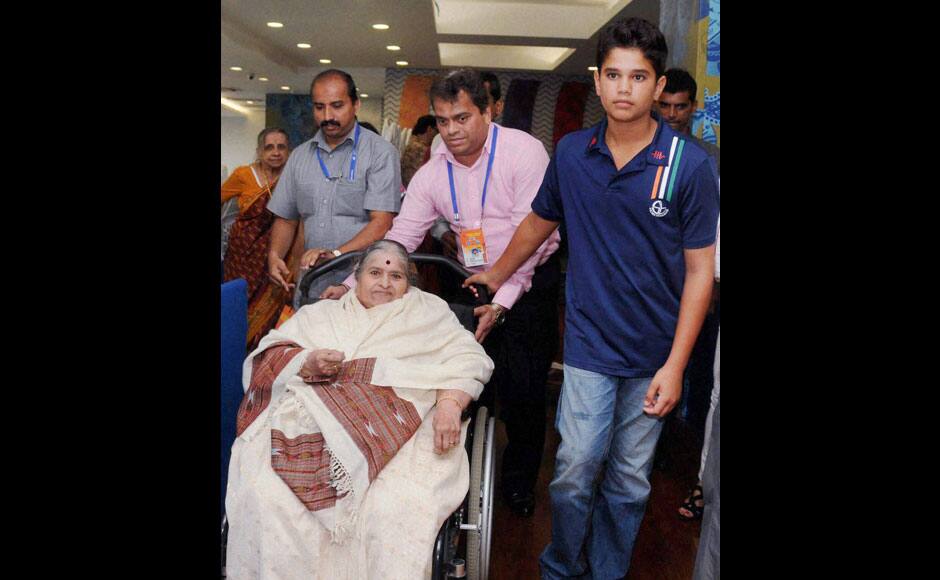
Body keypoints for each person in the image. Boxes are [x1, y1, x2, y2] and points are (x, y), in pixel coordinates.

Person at [465, 17, 719, 578]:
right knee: (575, 468)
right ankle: (561, 567)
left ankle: (606, 572)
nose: (624, 88)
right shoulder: (573, 153)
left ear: (657, 86)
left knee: (629, 482)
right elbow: (538, 223)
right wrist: (496, 273)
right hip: (587, 343)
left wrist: (677, 366)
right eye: (613, 75)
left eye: (638, 76)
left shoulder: (691, 166)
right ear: (597, 81)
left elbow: (702, 272)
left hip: (656, 352)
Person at [323, 68, 561, 518]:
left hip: (528, 285)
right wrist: (356, 283)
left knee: (524, 391)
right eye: (443, 120)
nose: (451, 130)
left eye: (462, 118)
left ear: (488, 111)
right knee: (465, 386)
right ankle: (463, 487)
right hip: (468, 281)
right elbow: (402, 236)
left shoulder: (523, 153)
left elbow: (534, 237)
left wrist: (502, 298)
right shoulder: (434, 173)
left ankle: (517, 485)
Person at [225, 240, 494, 580]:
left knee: (392, 508)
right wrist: (305, 362)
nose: (384, 283)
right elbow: (268, 355)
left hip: (401, 426)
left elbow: (469, 358)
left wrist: (450, 404)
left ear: (408, 283)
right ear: (357, 276)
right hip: (311, 423)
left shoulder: (431, 313)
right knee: (267, 495)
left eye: (395, 275)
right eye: (375, 273)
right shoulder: (321, 312)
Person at [266, 69, 402, 309]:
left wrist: (336, 254)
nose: (327, 115)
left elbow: (381, 223)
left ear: (356, 104)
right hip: (312, 283)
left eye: (337, 105)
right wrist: (275, 255)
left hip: (364, 285)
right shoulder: (299, 156)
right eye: (319, 107)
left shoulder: (380, 153)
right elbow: (286, 218)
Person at [222, 128, 304, 350]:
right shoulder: (243, 175)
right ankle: (234, 352)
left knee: (272, 309)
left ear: (290, 151)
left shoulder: (295, 177)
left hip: (279, 254)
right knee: (239, 302)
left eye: (281, 147)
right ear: (259, 151)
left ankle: (263, 353)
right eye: (269, 147)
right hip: (242, 256)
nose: (276, 152)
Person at [657, 68, 720, 174]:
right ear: (654, 104)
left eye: (680, 106)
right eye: (664, 105)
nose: (672, 114)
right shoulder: (639, 149)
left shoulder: (711, 155)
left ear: (694, 106)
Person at [400, 114, 438, 188]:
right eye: (437, 130)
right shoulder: (421, 149)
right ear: (429, 129)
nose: (438, 135)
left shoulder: (412, 143)